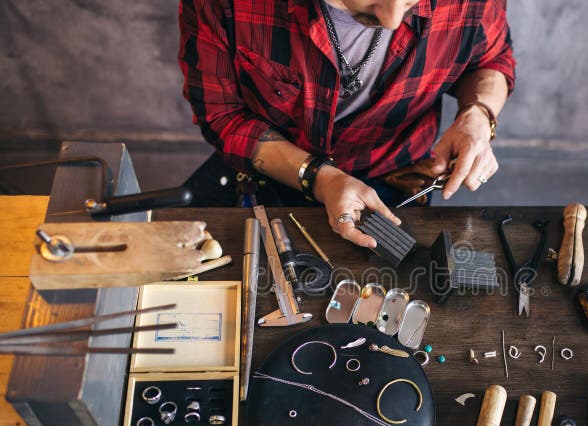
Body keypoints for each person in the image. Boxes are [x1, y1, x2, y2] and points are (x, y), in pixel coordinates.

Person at [179, 0, 515, 248]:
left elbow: (491, 58)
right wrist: (320, 178)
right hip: (270, 172)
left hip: (395, 175)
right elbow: (223, 115)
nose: (393, 20)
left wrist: (479, 114)